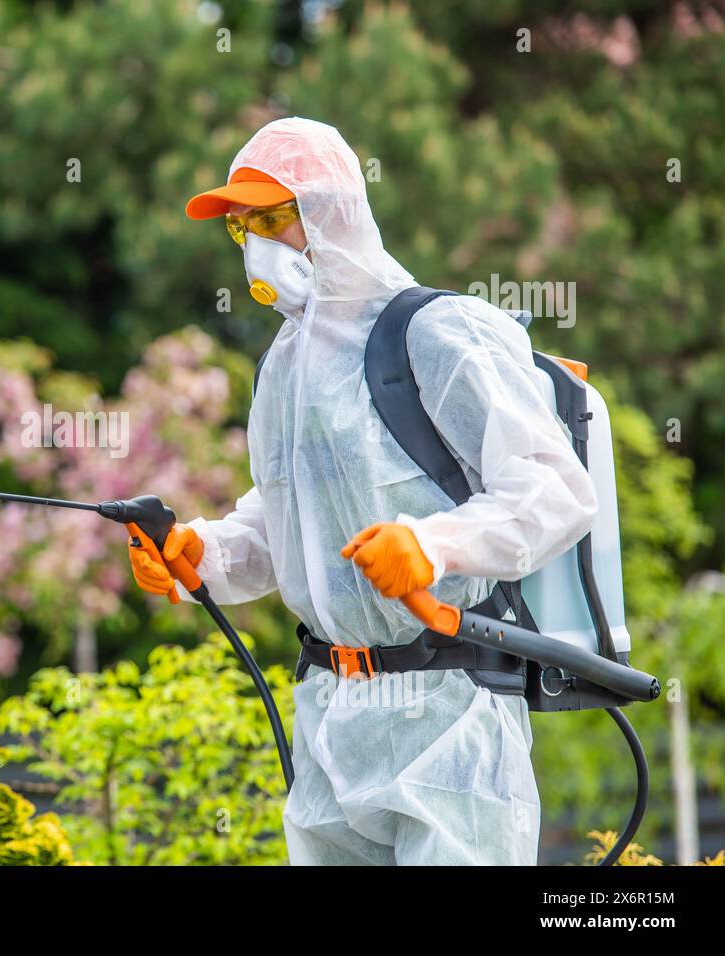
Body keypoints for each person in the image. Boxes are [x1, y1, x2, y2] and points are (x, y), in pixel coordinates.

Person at [127, 117, 598, 865]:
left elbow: (554, 489)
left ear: (332, 212)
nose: (256, 245)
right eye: (242, 228)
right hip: (329, 713)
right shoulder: (283, 366)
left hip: (447, 709)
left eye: (273, 218)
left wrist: (432, 544)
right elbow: (289, 522)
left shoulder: (438, 332)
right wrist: (204, 554)